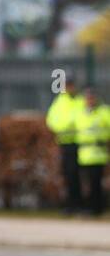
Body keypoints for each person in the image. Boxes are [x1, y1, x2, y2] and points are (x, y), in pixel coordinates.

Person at [46, 78, 85, 215]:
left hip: (82, 143)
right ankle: (71, 204)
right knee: (69, 175)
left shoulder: (81, 100)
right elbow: (52, 120)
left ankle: (82, 205)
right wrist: (70, 124)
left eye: (71, 85)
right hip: (66, 143)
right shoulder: (60, 102)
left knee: (81, 176)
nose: (70, 88)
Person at [75, 89, 110, 216]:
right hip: (84, 155)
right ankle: (88, 207)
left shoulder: (103, 112)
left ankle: (97, 208)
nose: (90, 101)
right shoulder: (80, 113)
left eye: (92, 98)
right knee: (86, 184)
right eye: (87, 98)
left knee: (96, 183)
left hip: (99, 154)